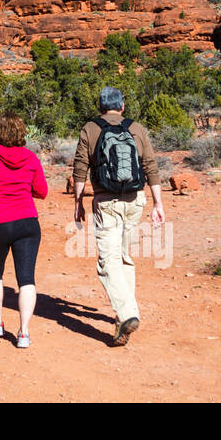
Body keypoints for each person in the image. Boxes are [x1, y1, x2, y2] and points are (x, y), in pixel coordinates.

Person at [72, 86, 165, 347]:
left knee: (107, 261)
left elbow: (80, 168)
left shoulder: (90, 129)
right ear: (122, 106)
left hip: (106, 202)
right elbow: (150, 166)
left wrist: (77, 202)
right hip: (135, 201)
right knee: (124, 258)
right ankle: (121, 319)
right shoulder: (136, 128)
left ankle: (127, 313)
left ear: (100, 107)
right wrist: (159, 203)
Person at [0, 112, 48, 349]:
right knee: (26, 279)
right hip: (27, 222)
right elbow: (42, 191)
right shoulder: (31, 158)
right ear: (22, 132)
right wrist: (23, 188)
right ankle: (23, 333)